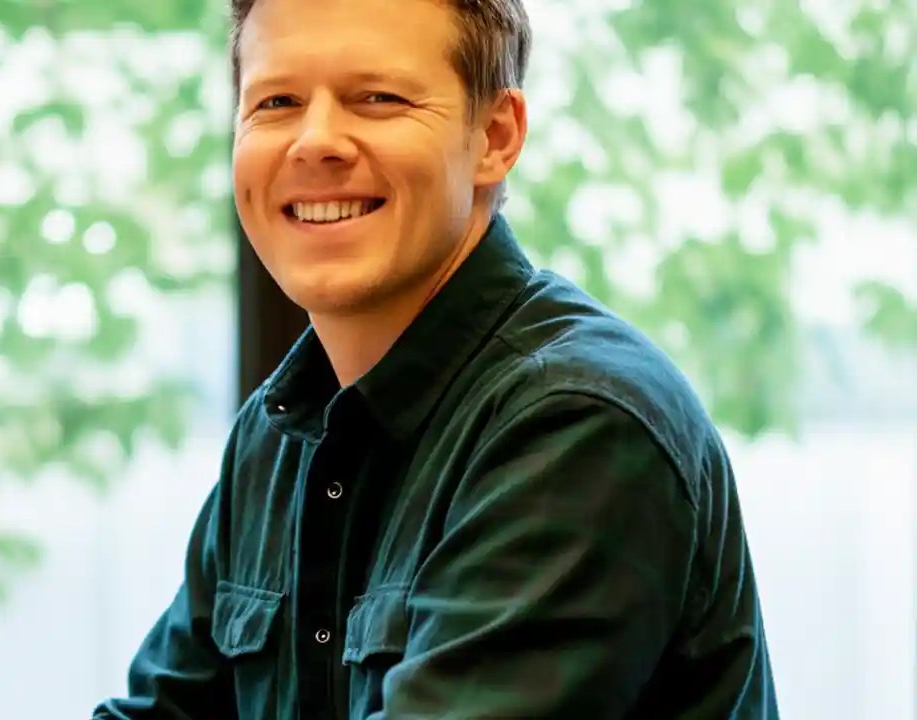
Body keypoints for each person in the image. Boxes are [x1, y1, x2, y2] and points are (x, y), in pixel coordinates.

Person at [95, 0, 779, 716]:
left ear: (495, 135)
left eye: (378, 99)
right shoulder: (277, 433)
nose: (315, 140)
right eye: (277, 101)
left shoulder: (576, 425)